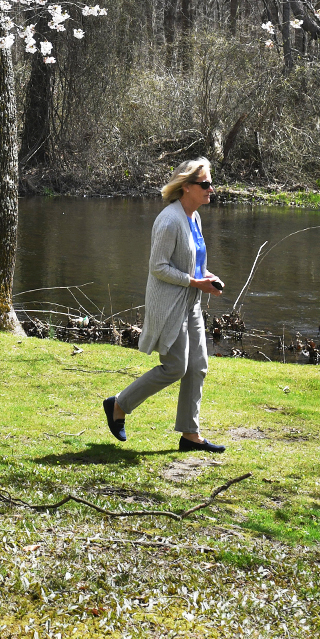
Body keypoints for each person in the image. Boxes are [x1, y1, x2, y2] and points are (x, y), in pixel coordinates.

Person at [102, 158, 226, 452]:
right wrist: (195, 283)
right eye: (205, 184)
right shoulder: (169, 220)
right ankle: (118, 405)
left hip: (190, 303)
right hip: (170, 305)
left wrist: (206, 276)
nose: (211, 189)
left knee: (197, 367)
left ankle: (190, 435)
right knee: (175, 367)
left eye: (210, 183)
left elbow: (189, 261)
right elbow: (158, 267)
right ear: (186, 187)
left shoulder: (193, 217)